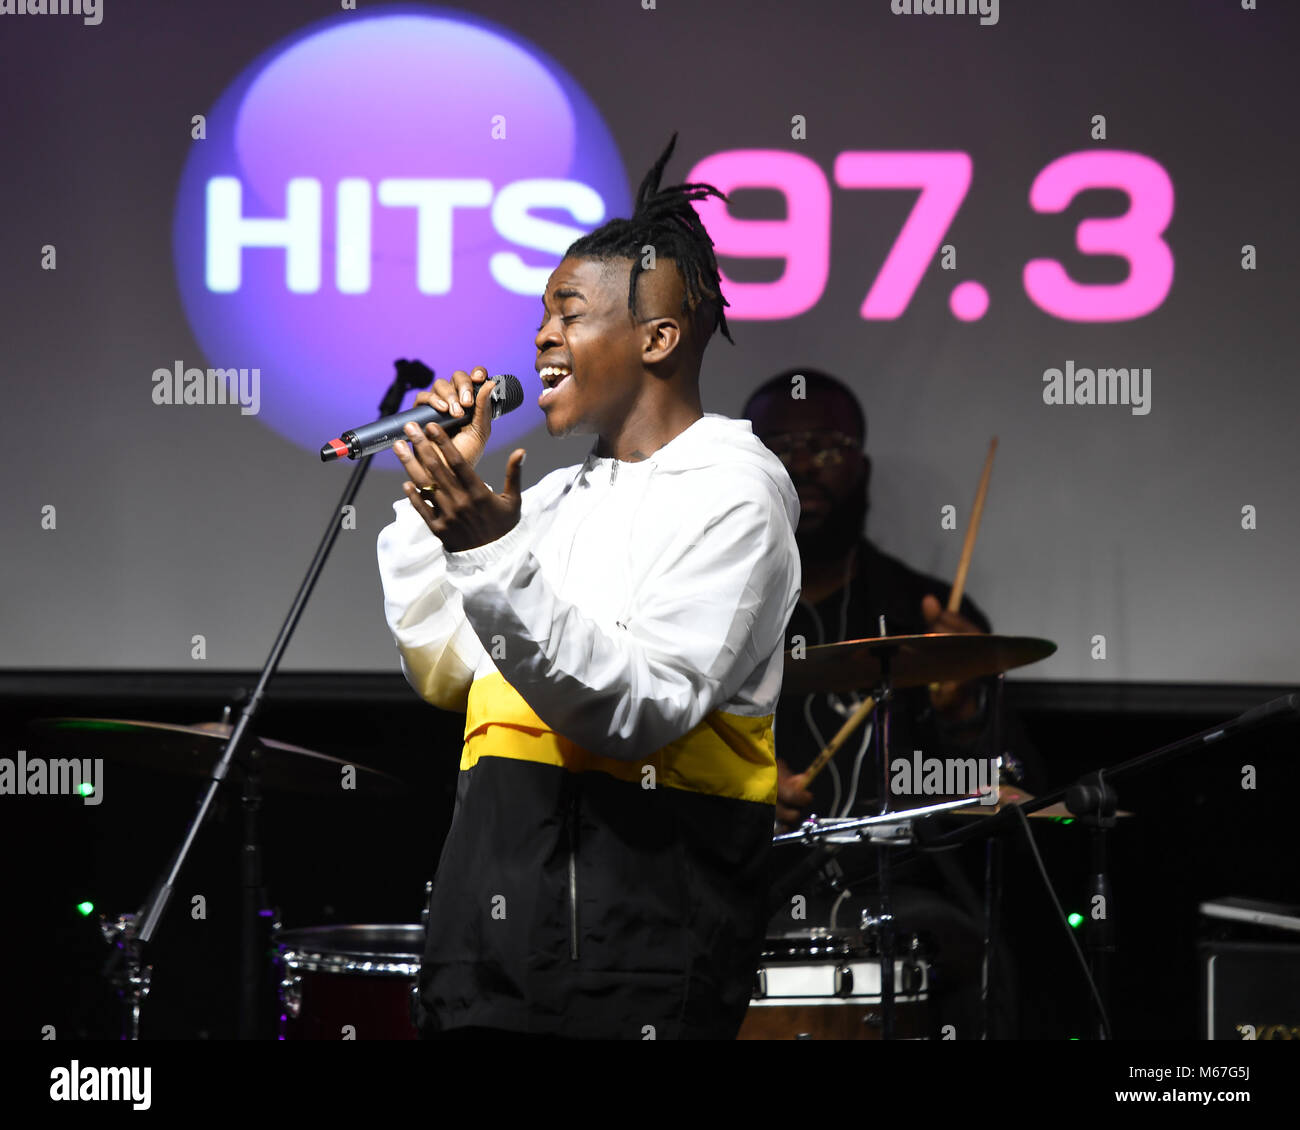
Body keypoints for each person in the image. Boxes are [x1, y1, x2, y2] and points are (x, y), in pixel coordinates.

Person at [375, 134, 801, 1040]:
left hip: (632, 966)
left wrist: (492, 554)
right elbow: (444, 670)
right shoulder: (556, 499)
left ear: (657, 338)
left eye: (568, 313)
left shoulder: (735, 495)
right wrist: (434, 506)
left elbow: (641, 706)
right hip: (483, 960)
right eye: (541, 315)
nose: (541, 338)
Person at [743, 368, 1042, 1038]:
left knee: (970, 951)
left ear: (862, 465)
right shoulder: (702, 614)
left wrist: (965, 715)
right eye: (778, 447)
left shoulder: (927, 614)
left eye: (826, 446)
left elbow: (1016, 799)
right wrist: (736, 790)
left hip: (904, 902)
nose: (802, 466)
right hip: (746, 887)